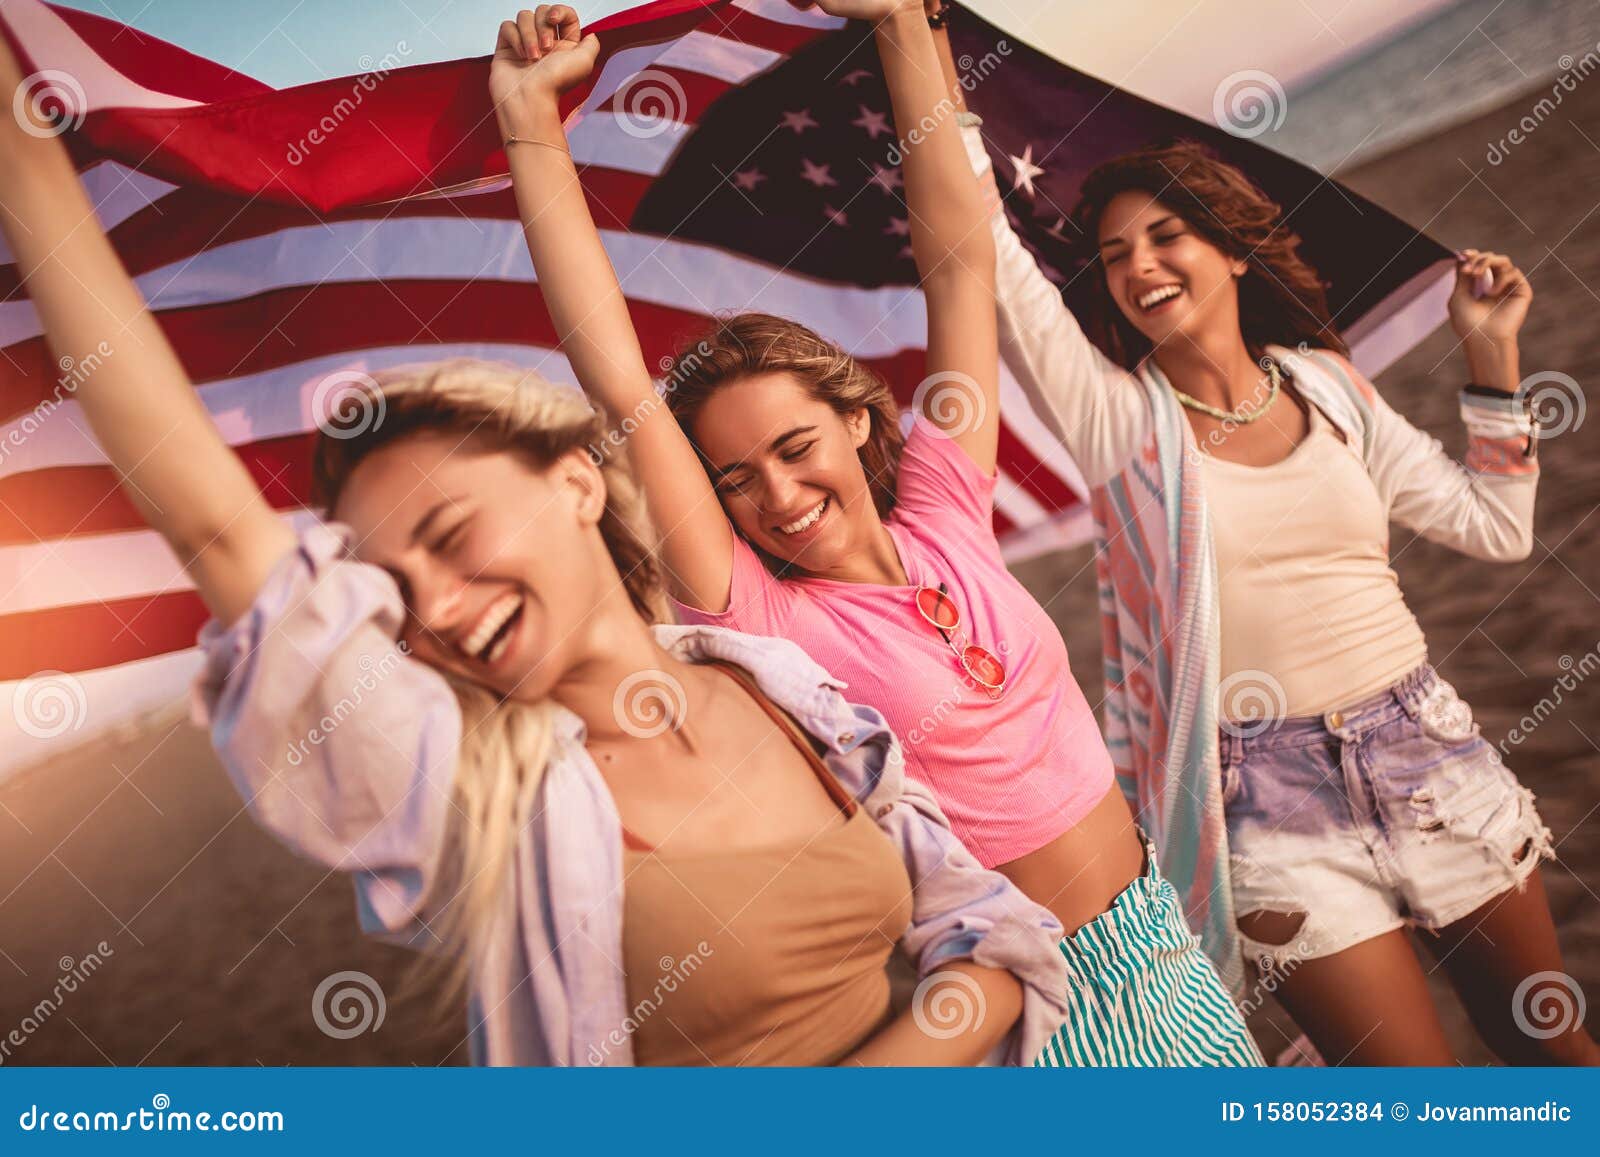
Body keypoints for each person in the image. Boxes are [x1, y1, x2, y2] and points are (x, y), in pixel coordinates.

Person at [0, 13, 1075, 1068]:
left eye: (451, 533)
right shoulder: (489, 795)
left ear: (573, 480)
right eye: (391, 591)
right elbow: (220, 528)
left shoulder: (784, 686)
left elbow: (982, 928)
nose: (437, 606)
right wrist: (29, 177)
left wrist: (901, 25)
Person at [510, 0, 1262, 1066]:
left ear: (857, 416)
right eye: (736, 478)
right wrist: (531, 132)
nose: (775, 492)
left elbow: (957, 261)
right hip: (1039, 1007)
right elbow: (615, 372)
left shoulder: (948, 501)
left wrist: (902, 21)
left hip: (1162, 943)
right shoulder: (764, 616)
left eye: (792, 445)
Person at [940, 20, 1598, 1065]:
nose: (1139, 267)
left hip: (1427, 748)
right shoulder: (1122, 424)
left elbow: (1496, 526)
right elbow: (980, 240)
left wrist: (1492, 355)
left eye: (1166, 238)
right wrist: (920, 34)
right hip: (1266, 808)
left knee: (1560, 1064)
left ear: (1232, 248)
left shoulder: (1326, 386)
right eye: (1114, 256)